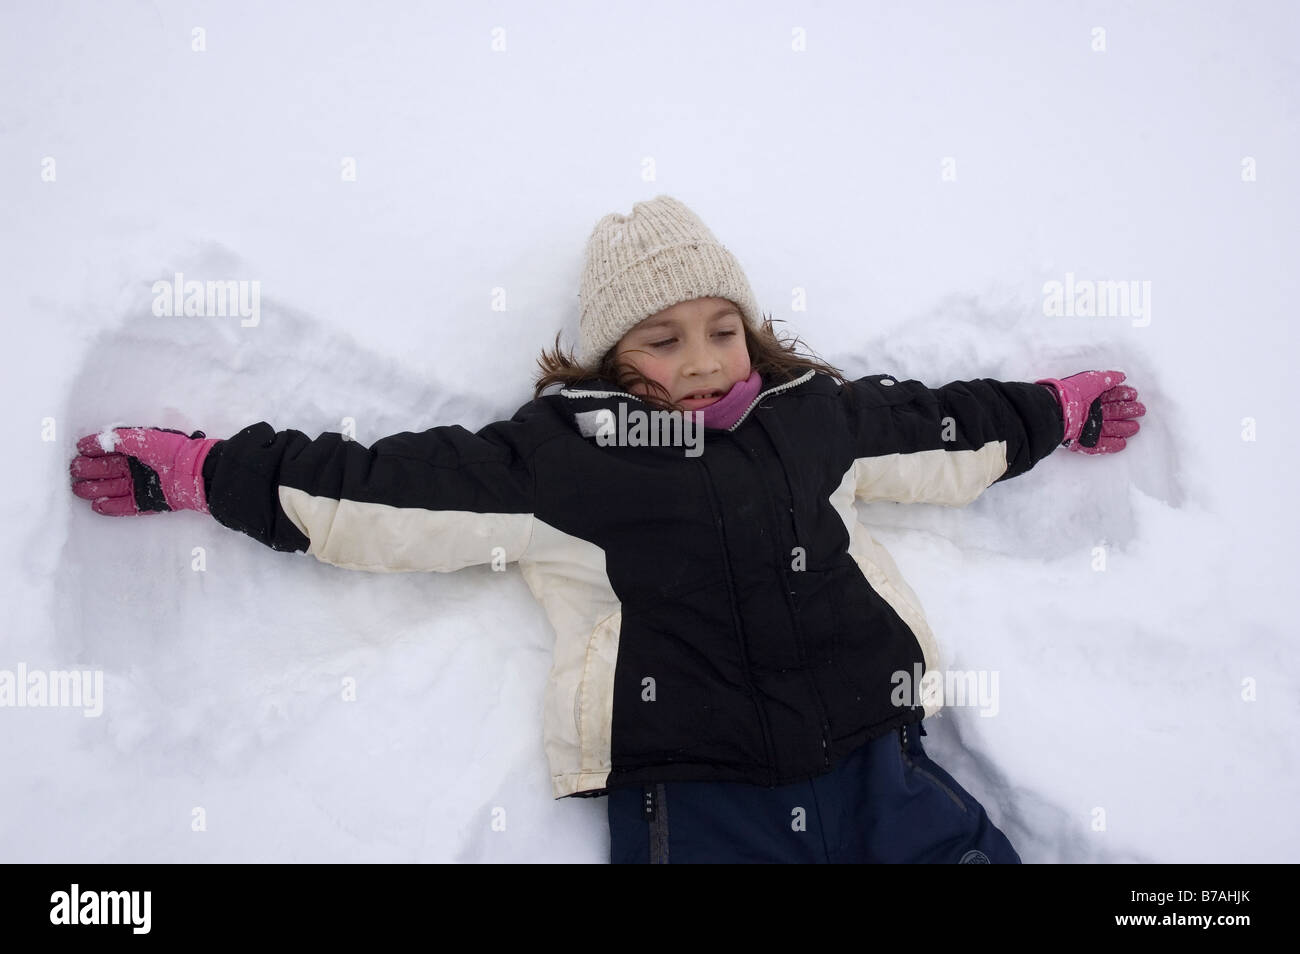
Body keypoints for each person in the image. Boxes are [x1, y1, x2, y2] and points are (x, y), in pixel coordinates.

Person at [68, 195, 1145, 863]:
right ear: (609, 358)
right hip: (697, 794)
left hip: (878, 760)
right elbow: (382, 497)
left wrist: (1055, 410)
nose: (705, 358)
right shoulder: (562, 462)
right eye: (665, 338)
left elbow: (940, 429)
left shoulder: (816, 421)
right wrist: (209, 473)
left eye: (723, 329)